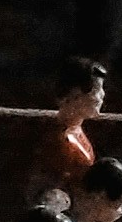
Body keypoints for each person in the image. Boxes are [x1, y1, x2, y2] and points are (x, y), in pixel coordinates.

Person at [29, 54, 107, 213]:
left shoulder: (76, 131)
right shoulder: (58, 141)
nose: (102, 96)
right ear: (75, 94)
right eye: (97, 90)